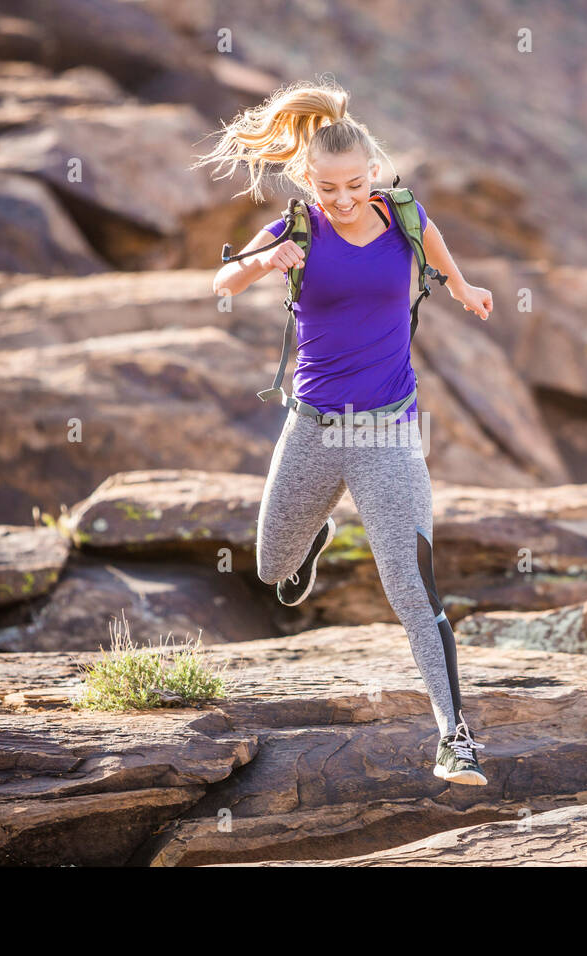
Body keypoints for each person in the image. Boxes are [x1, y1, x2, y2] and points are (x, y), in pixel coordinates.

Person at [196, 78, 494, 785]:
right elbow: (222, 282)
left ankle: (455, 739)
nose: (344, 198)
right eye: (330, 187)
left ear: (373, 173)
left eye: (356, 183)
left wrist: (463, 288)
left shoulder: (404, 215)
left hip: (389, 432)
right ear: (307, 179)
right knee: (272, 569)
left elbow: (439, 253)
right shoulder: (298, 226)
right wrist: (264, 261)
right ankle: (313, 541)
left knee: (413, 590)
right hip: (312, 428)